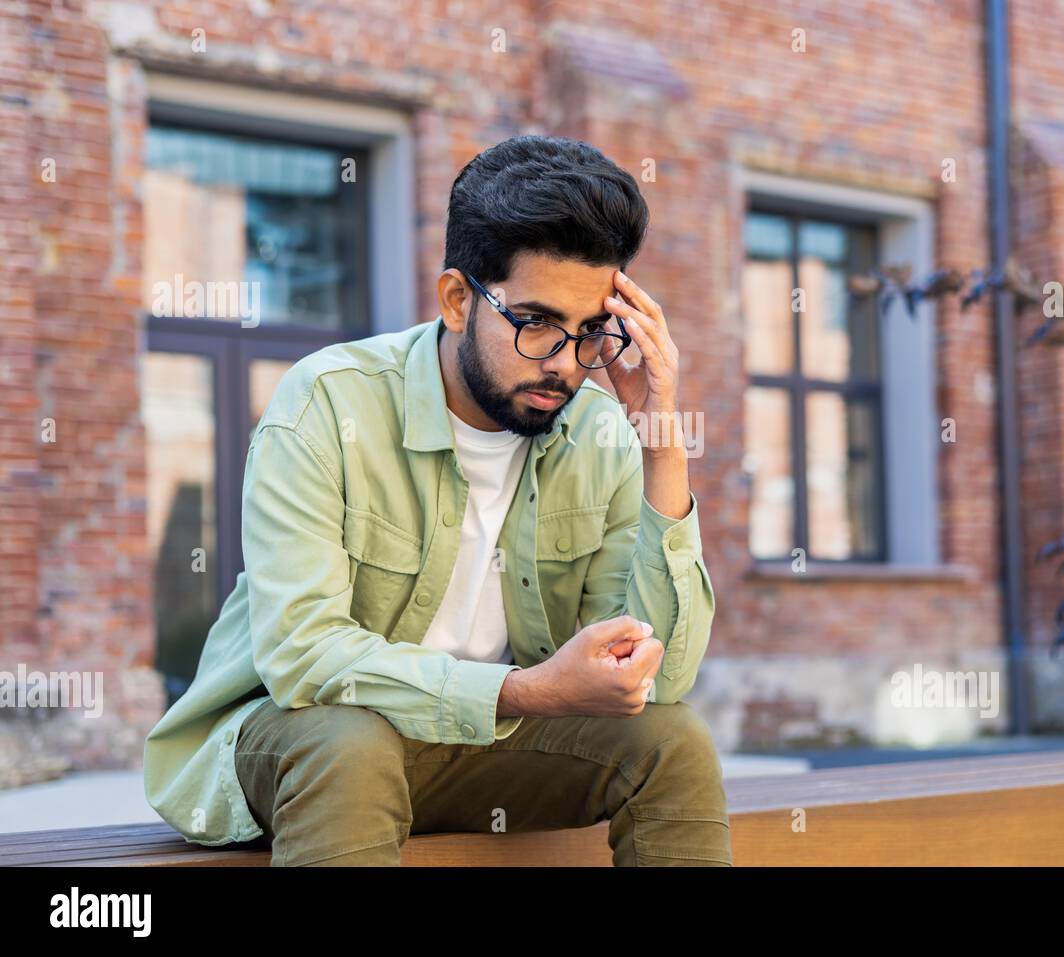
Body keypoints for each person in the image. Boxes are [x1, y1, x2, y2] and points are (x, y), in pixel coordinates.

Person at [142, 134, 730, 866]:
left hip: (487, 751)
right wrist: (524, 691)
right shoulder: (328, 402)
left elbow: (660, 679)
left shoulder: (602, 430)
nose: (566, 364)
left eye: (590, 333)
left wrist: (661, 443)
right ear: (457, 299)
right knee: (349, 743)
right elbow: (303, 655)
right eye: (536, 323)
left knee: (672, 739)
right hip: (306, 742)